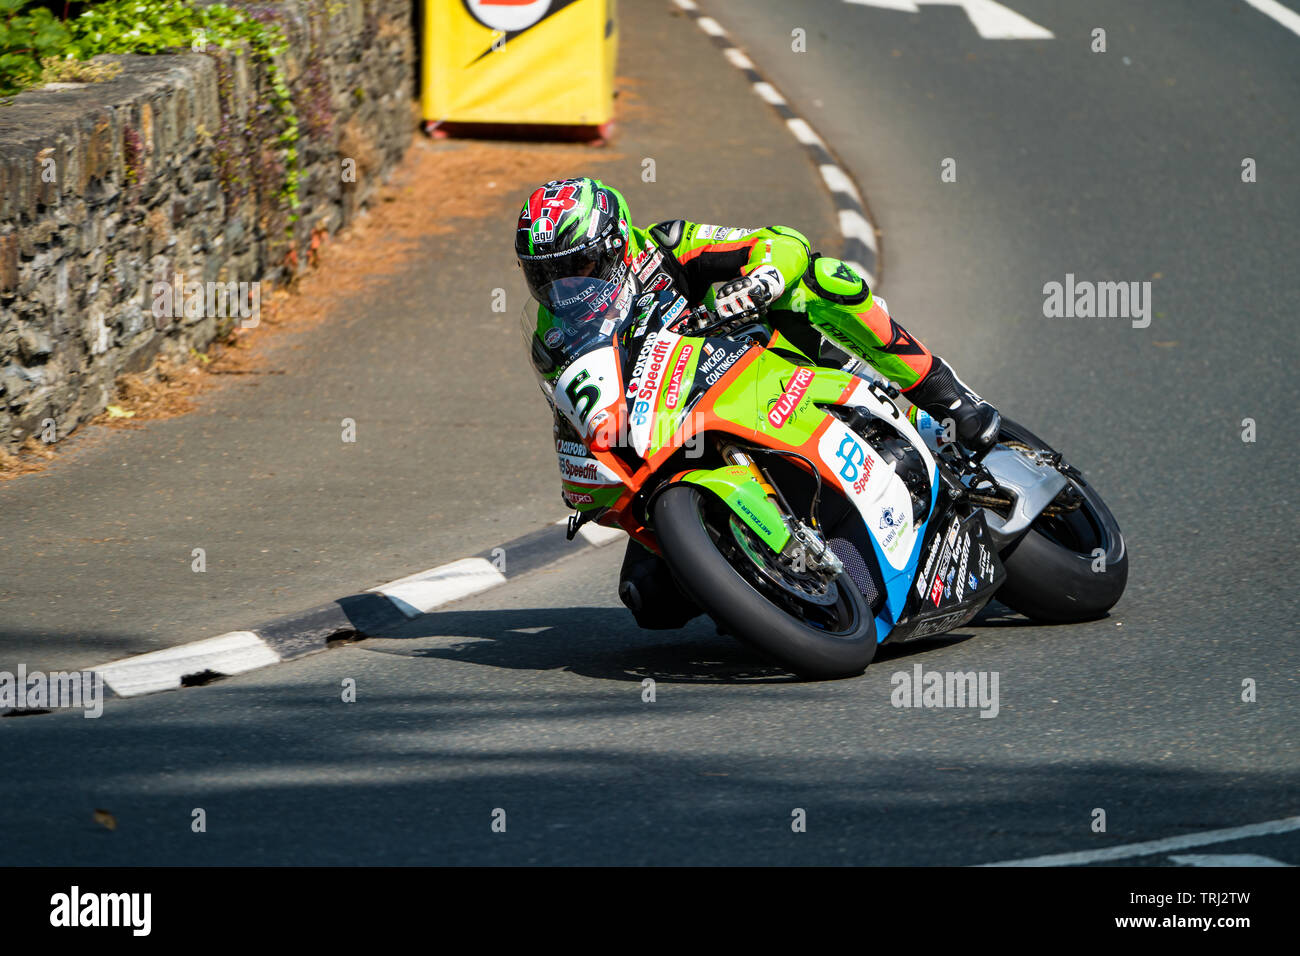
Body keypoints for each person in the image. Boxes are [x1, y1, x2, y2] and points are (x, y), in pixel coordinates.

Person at [515, 177, 1000, 629]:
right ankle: (768, 585)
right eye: (546, 275)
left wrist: (763, 279)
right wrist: (584, 466)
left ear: (617, 245)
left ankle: (944, 392)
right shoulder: (553, 333)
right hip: (676, 432)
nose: (564, 287)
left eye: (577, 268)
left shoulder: (667, 247)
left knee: (823, 276)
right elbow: (575, 409)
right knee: (649, 599)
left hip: (769, 365)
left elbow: (781, 242)